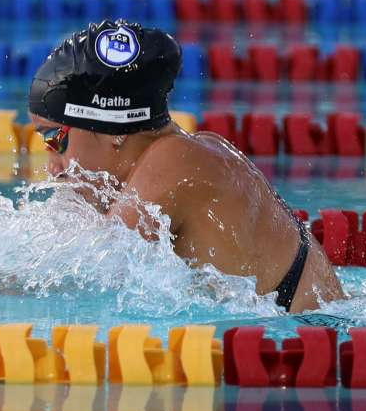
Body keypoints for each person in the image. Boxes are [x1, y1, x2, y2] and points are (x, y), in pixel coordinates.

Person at [28, 20, 345, 313]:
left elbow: (80, 280)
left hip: (308, 345)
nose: (52, 164)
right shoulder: (196, 150)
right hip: (310, 334)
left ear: (115, 131)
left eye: (55, 138)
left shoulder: (174, 163)